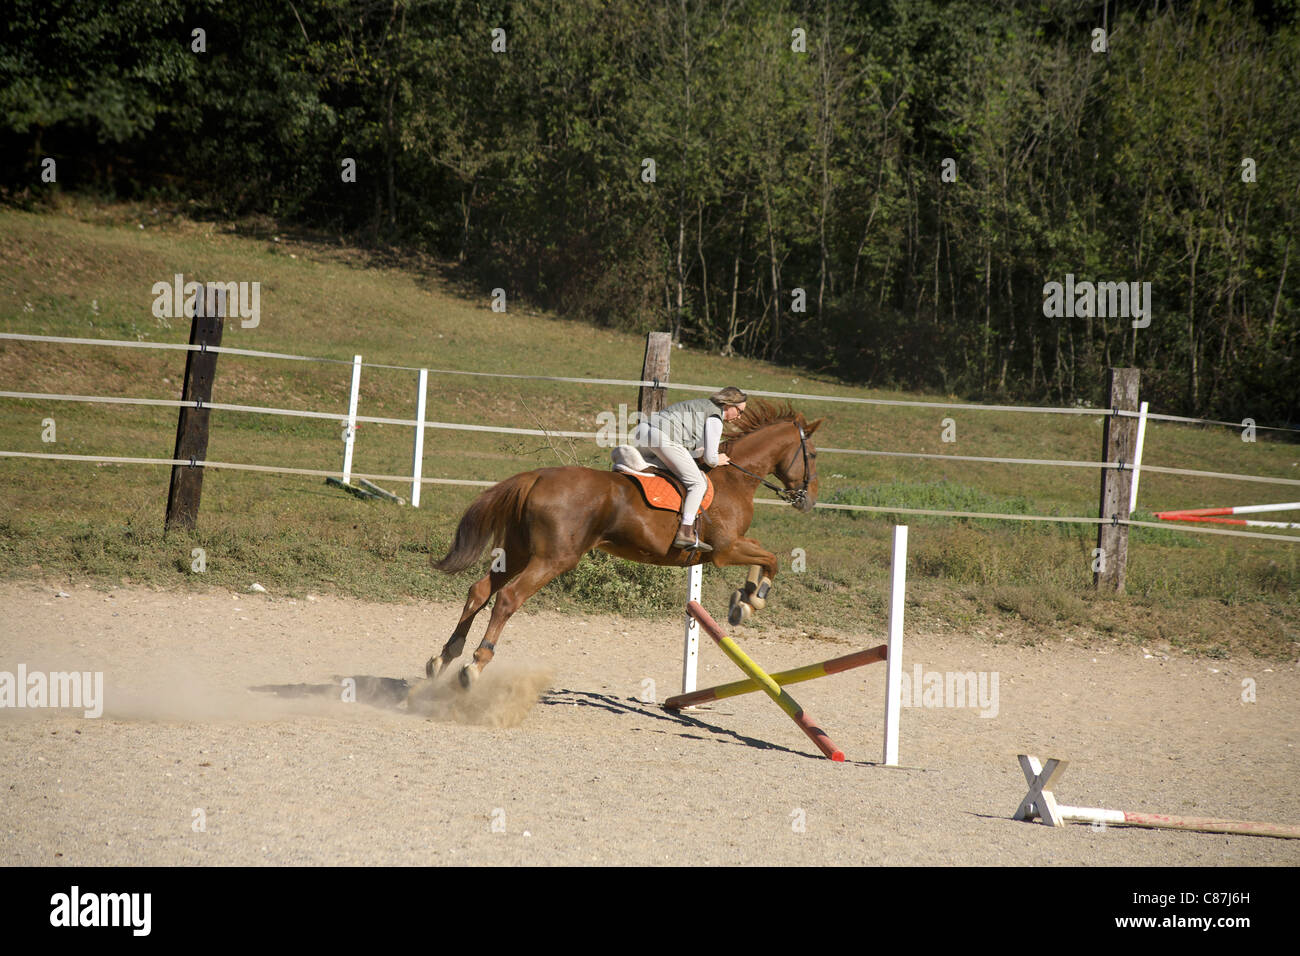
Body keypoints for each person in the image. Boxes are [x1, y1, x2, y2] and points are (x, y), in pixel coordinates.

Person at [631, 387, 747, 551]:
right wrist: (718, 459)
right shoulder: (715, 417)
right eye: (740, 411)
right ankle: (685, 531)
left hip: (642, 433)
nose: (739, 417)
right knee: (698, 483)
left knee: (661, 471)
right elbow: (710, 459)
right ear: (729, 404)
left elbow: (692, 446)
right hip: (662, 437)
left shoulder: (700, 405)